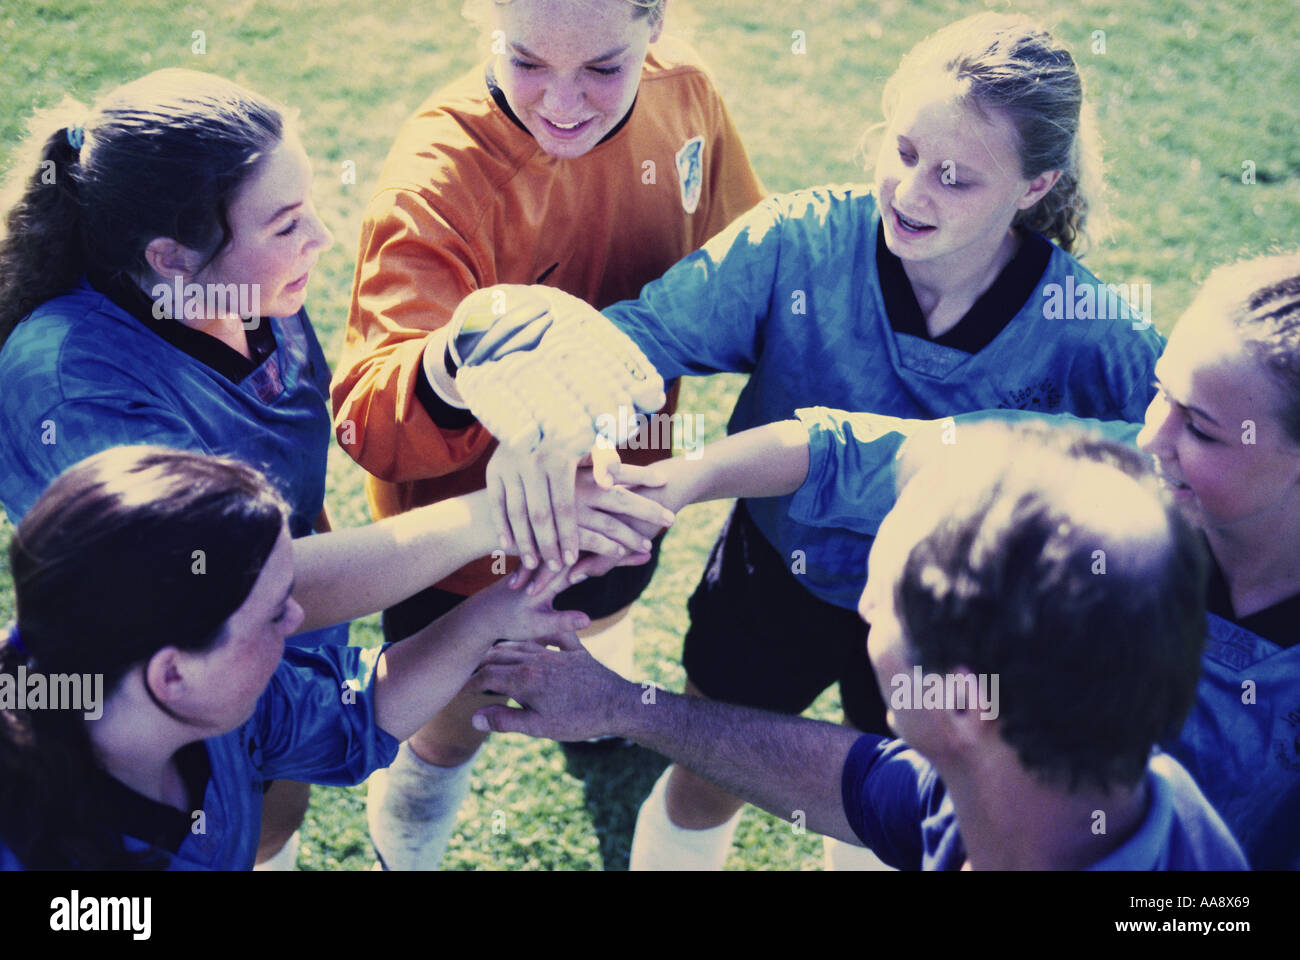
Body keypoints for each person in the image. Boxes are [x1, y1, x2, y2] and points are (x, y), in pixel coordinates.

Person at [457, 11, 1163, 869]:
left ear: (1034, 187)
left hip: (952, 617)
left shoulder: (1090, 331)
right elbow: (644, 336)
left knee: (892, 803)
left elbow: (1177, 458)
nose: (911, 193)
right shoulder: (801, 242)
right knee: (708, 768)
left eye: (955, 177)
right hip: (771, 578)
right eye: (902, 153)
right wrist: (551, 415)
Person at [0, 66, 668, 869]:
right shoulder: (72, 387)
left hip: (253, 666)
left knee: (271, 812)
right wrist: (495, 516)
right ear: (171, 256)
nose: (320, 236)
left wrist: (454, 363)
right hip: (177, 694)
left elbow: (303, 541)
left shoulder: (247, 297)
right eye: (285, 224)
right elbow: (226, 587)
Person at [590, 250, 1300, 869]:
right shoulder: (1099, 475)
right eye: (1159, 393)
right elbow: (854, 453)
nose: (1150, 436)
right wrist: (684, 481)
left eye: (1202, 429)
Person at [330, 0, 763, 870]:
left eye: (603, 68)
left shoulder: (690, 98)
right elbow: (370, 420)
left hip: (626, 496)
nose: (563, 102)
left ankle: (598, 716)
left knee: (608, 612)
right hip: (465, 546)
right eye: (527, 61)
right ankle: (403, 847)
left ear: (658, 22)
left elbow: (744, 259)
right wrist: (458, 362)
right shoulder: (438, 176)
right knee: (451, 733)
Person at [468, 427, 1248, 870]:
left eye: (884, 600)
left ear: (963, 699)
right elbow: (866, 788)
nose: (864, 606)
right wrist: (619, 706)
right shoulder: (1068, 792)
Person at [0, 445, 589, 870]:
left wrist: (497, 611)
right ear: (171, 672)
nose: (299, 618)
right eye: (273, 612)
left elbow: (360, 710)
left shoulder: (184, 698)